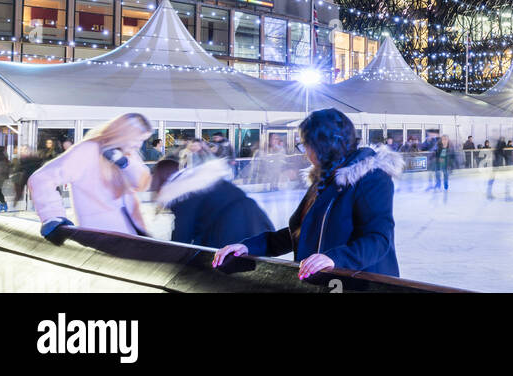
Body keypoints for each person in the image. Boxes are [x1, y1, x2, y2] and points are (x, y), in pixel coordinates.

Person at [214, 108, 402, 278]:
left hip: (360, 281)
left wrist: (334, 258)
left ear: (325, 145)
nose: (305, 153)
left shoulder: (371, 177)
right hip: (325, 280)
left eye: (306, 145)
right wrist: (248, 246)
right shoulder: (325, 178)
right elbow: (300, 232)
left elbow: (378, 239)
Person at [28, 113, 154, 237]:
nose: (139, 145)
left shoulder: (127, 153)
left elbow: (142, 184)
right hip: (100, 234)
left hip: (131, 232)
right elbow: (41, 178)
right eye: (137, 139)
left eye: (142, 140)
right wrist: (52, 216)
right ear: (124, 134)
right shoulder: (87, 150)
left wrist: (126, 164)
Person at [152, 158, 274, 248]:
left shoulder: (181, 192)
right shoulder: (197, 179)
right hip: (252, 215)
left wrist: (171, 257)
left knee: (225, 265)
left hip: (230, 225)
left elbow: (183, 233)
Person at [8, 145, 45, 211]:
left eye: (25, 149)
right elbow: (16, 169)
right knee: (19, 193)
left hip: (32, 177)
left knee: (34, 193)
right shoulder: (20, 159)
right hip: (23, 178)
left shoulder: (35, 158)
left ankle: (36, 206)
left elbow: (39, 167)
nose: (23, 151)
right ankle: (14, 206)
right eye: (22, 150)